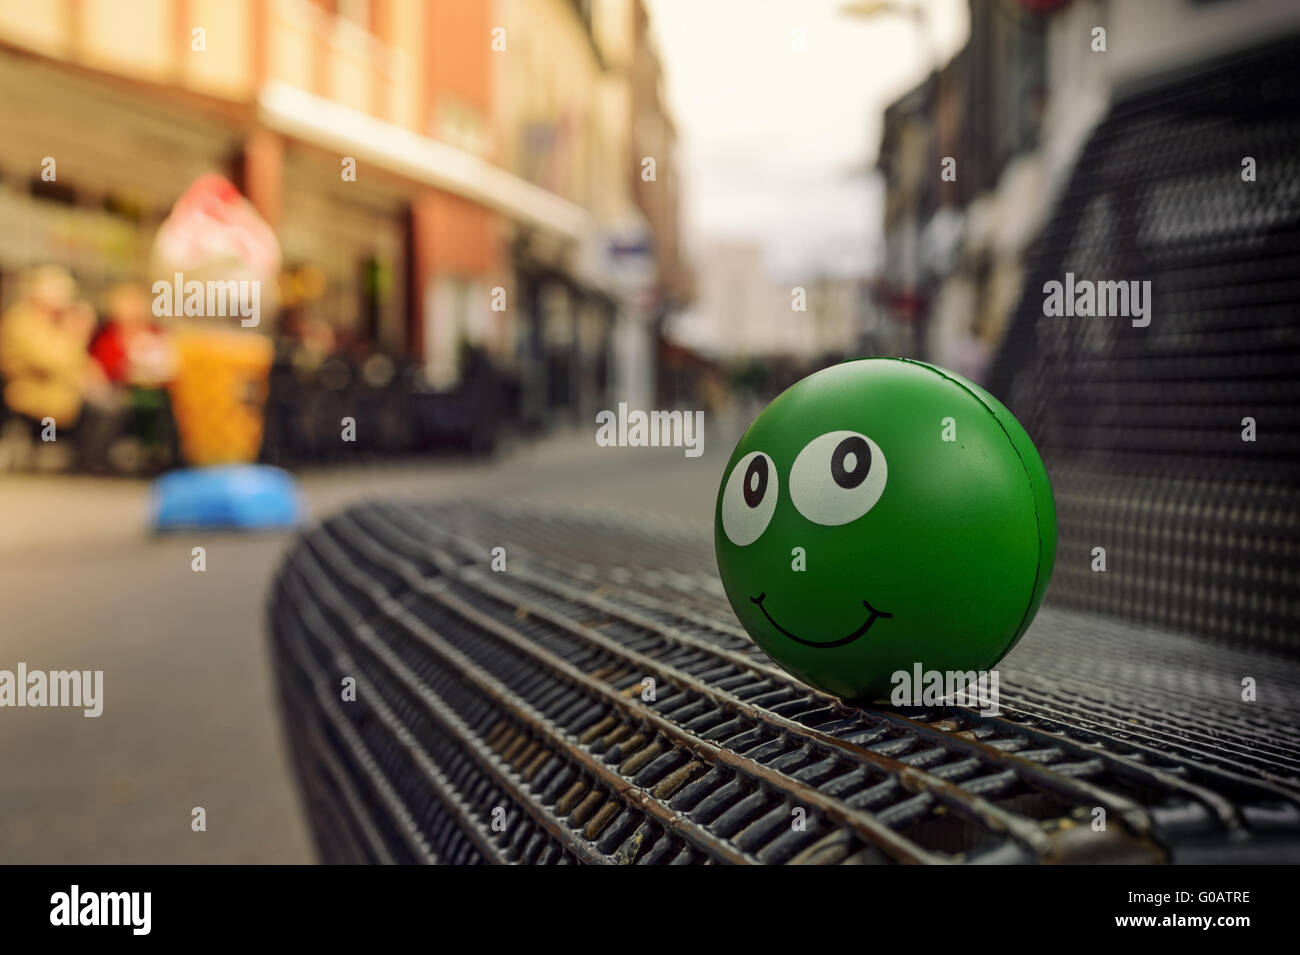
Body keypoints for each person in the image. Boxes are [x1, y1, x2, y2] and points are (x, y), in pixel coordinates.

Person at [0, 266, 114, 470]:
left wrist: (91, 377)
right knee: (99, 409)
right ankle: (87, 463)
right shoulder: (22, 320)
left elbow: (77, 362)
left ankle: (91, 460)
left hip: (60, 387)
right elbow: (50, 361)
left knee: (111, 402)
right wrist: (77, 334)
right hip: (33, 391)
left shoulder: (52, 323)